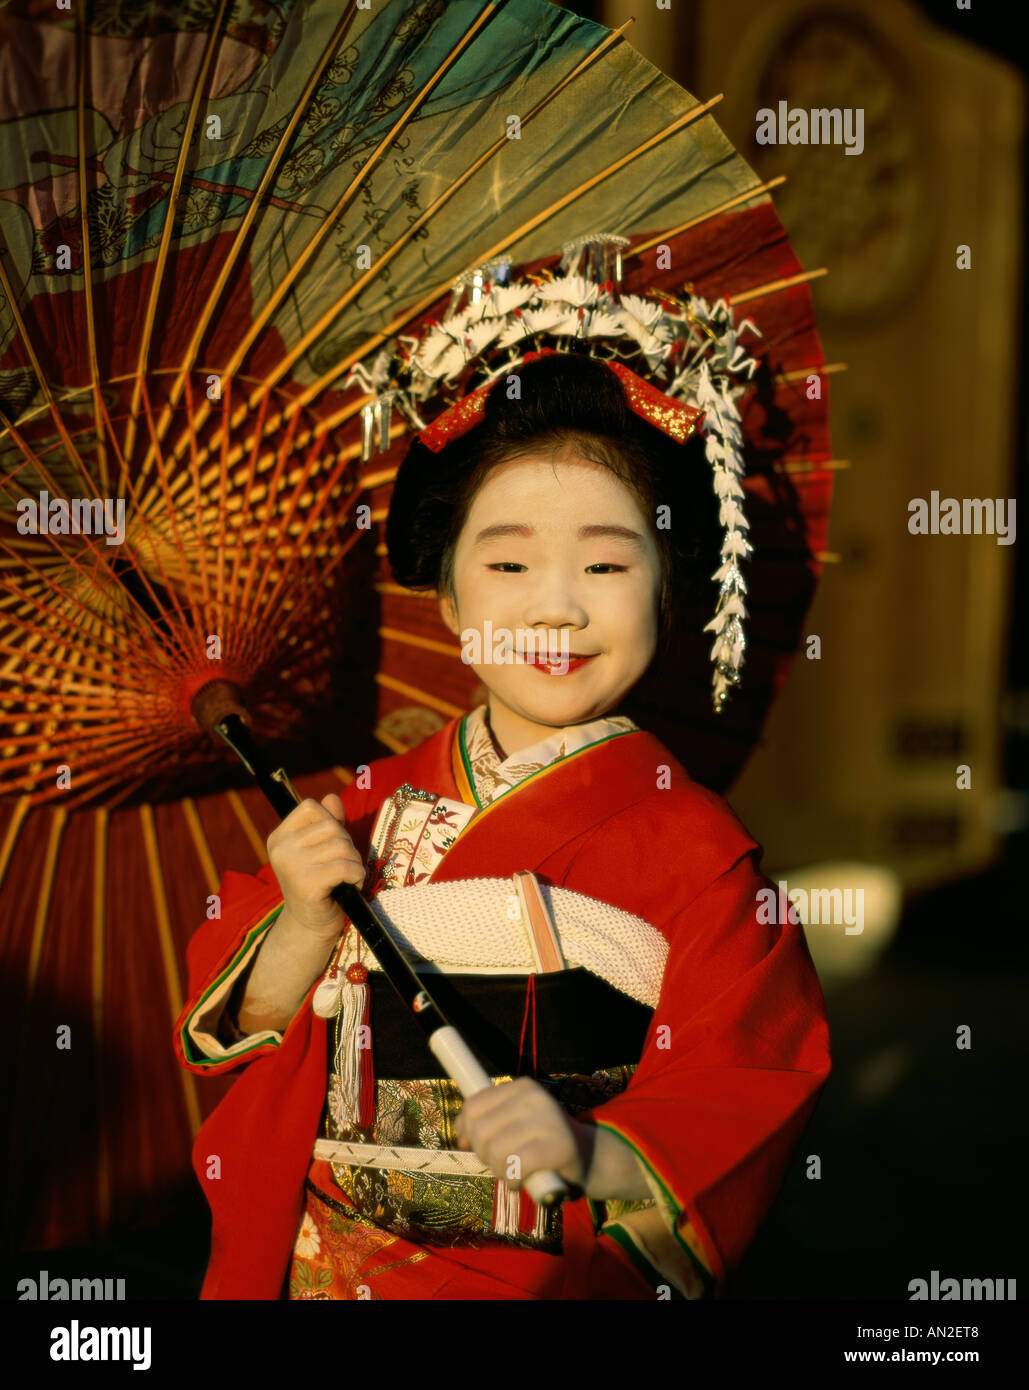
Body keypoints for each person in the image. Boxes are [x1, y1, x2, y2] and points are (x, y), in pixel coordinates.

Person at [174, 351, 831, 1301]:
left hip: (534, 1277)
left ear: (666, 593)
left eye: (605, 564)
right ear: (449, 600)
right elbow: (246, 1027)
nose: (554, 607)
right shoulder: (359, 807)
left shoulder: (699, 854)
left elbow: (748, 1075)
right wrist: (303, 927)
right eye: (508, 564)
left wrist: (593, 1151)